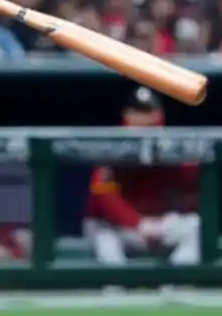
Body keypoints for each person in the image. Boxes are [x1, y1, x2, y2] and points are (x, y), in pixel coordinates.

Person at [82, 87, 201, 266]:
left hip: (160, 224)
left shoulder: (169, 142)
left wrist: (173, 154)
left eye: (148, 111)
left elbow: (192, 185)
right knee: (101, 231)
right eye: (137, 112)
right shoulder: (111, 144)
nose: (143, 118)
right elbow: (101, 194)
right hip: (123, 227)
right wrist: (137, 223)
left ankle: (176, 283)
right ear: (127, 115)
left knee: (196, 226)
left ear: (159, 114)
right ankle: (117, 284)